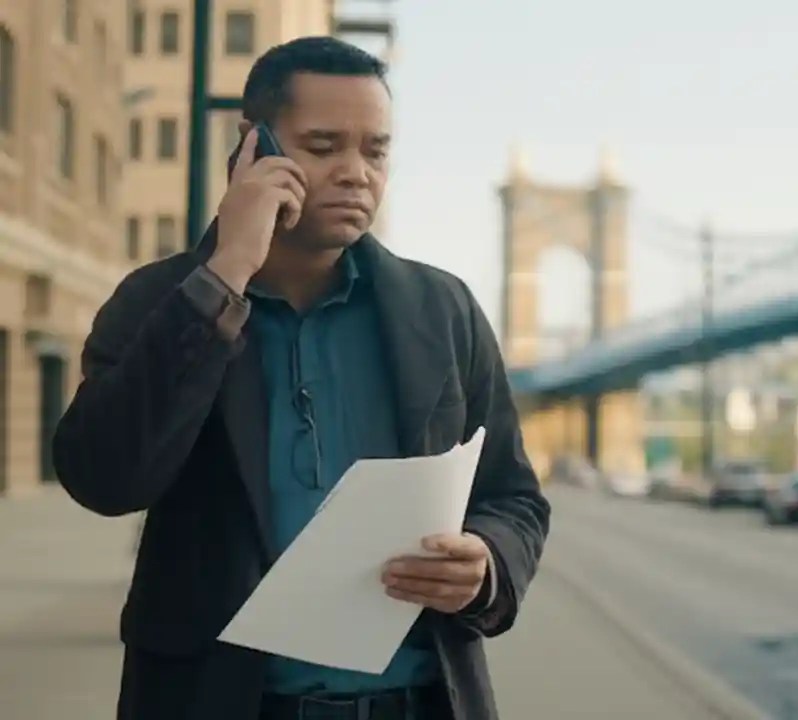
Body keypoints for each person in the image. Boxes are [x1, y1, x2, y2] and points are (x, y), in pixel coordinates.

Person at [52, 37, 550, 720]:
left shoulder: (443, 310)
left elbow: (513, 496)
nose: (356, 173)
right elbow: (103, 477)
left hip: (420, 702)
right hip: (218, 702)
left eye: (375, 151)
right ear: (254, 146)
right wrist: (225, 276)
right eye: (323, 146)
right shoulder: (161, 300)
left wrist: (486, 563)